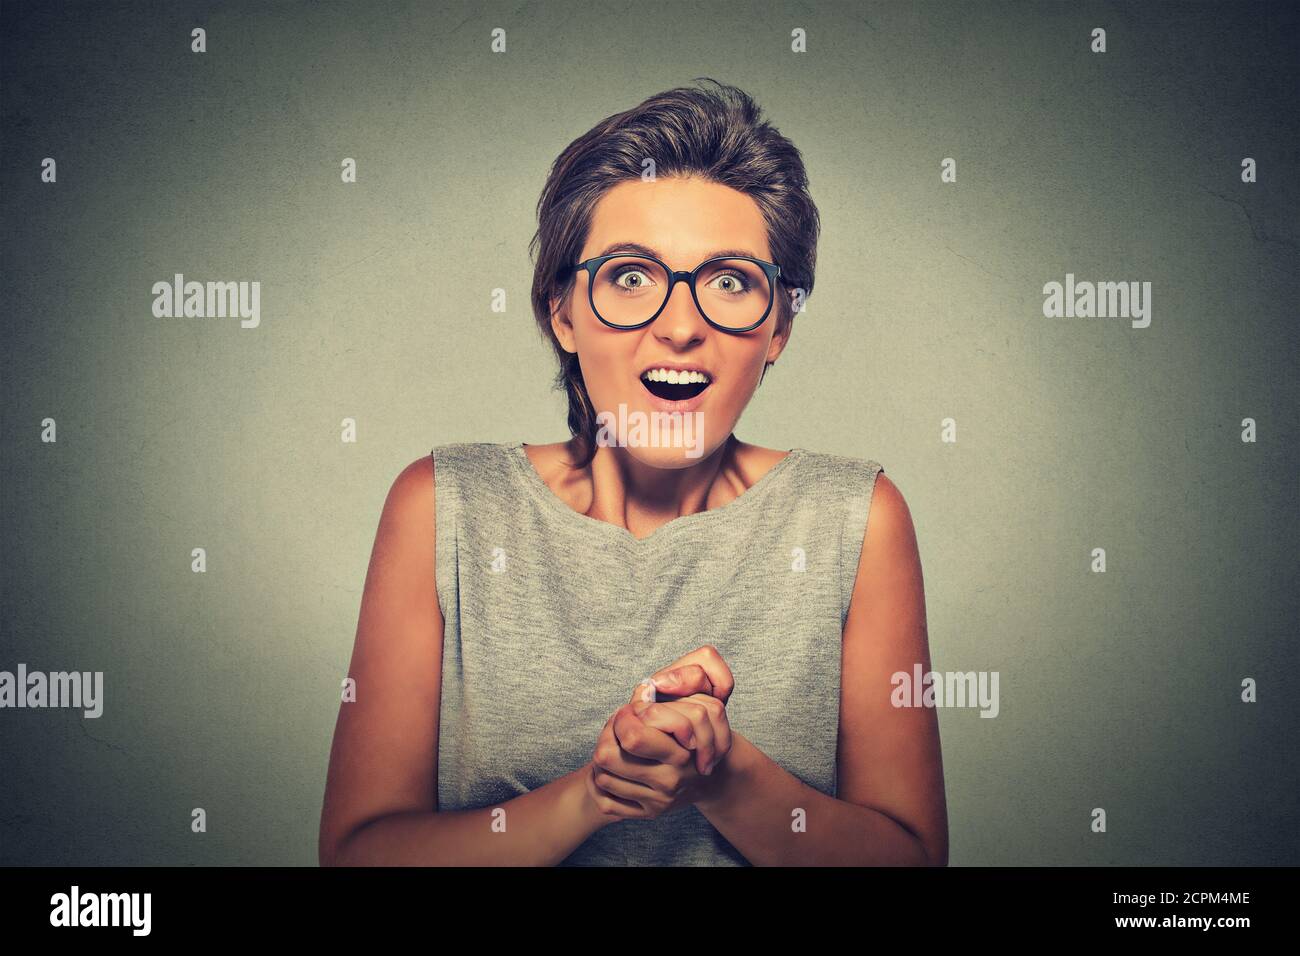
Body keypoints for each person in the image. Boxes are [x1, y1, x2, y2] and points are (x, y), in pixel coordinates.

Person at [319, 78, 947, 866]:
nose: (681, 326)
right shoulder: (444, 508)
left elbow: (912, 860)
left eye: (730, 282)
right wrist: (592, 795)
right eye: (629, 276)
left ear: (779, 325)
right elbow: (358, 854)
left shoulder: (856, 519)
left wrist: (723, 777)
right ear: (563, 311)